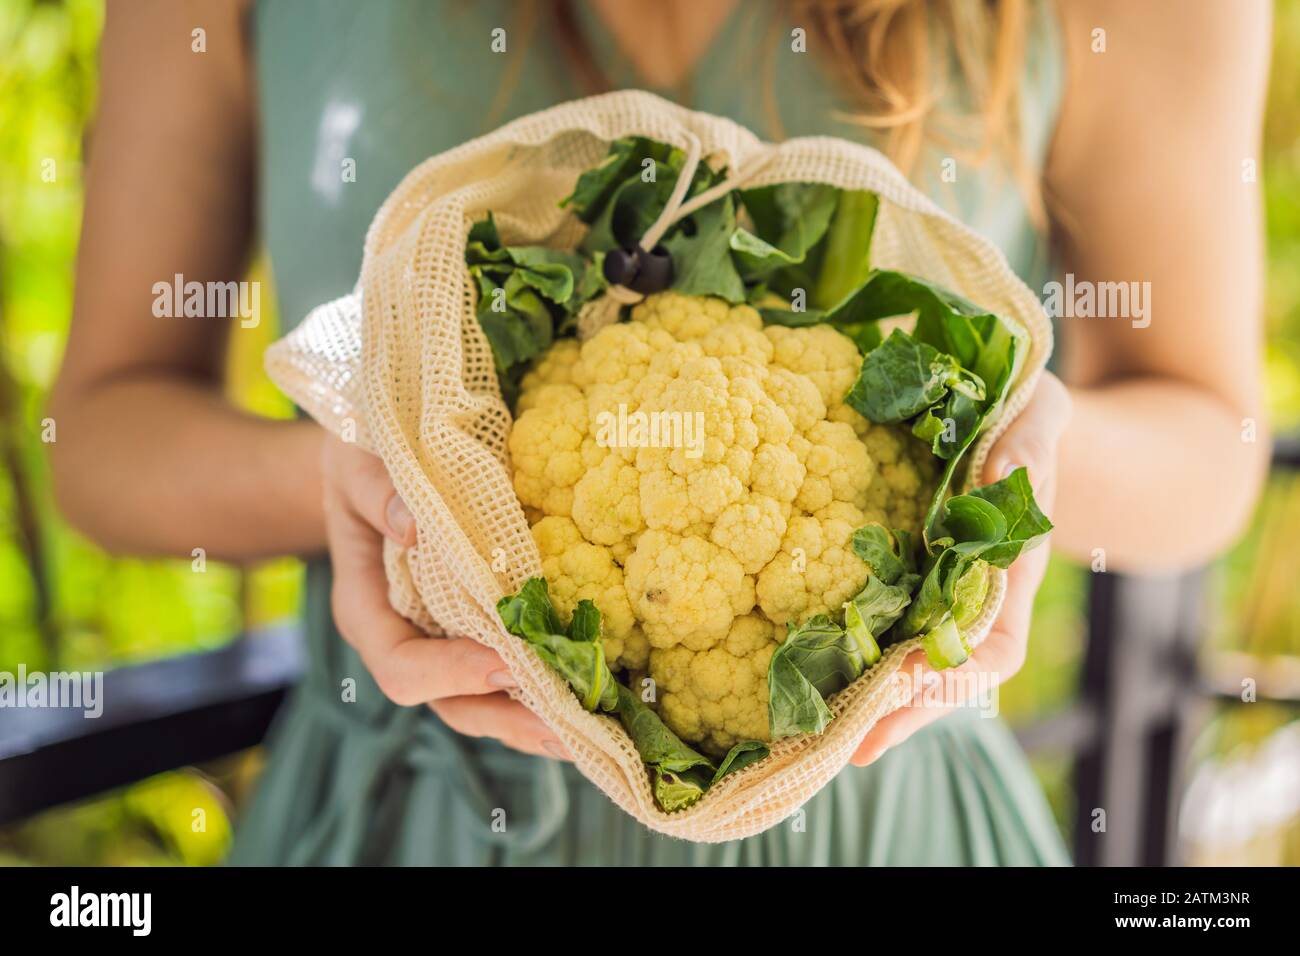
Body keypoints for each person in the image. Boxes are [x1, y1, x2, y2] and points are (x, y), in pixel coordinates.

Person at [50, 0, 1270, 865]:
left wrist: (1021, 448)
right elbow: (103, 432)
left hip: (884, 825)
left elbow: (1210, 436)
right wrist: (357, 473)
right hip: (395, 814)